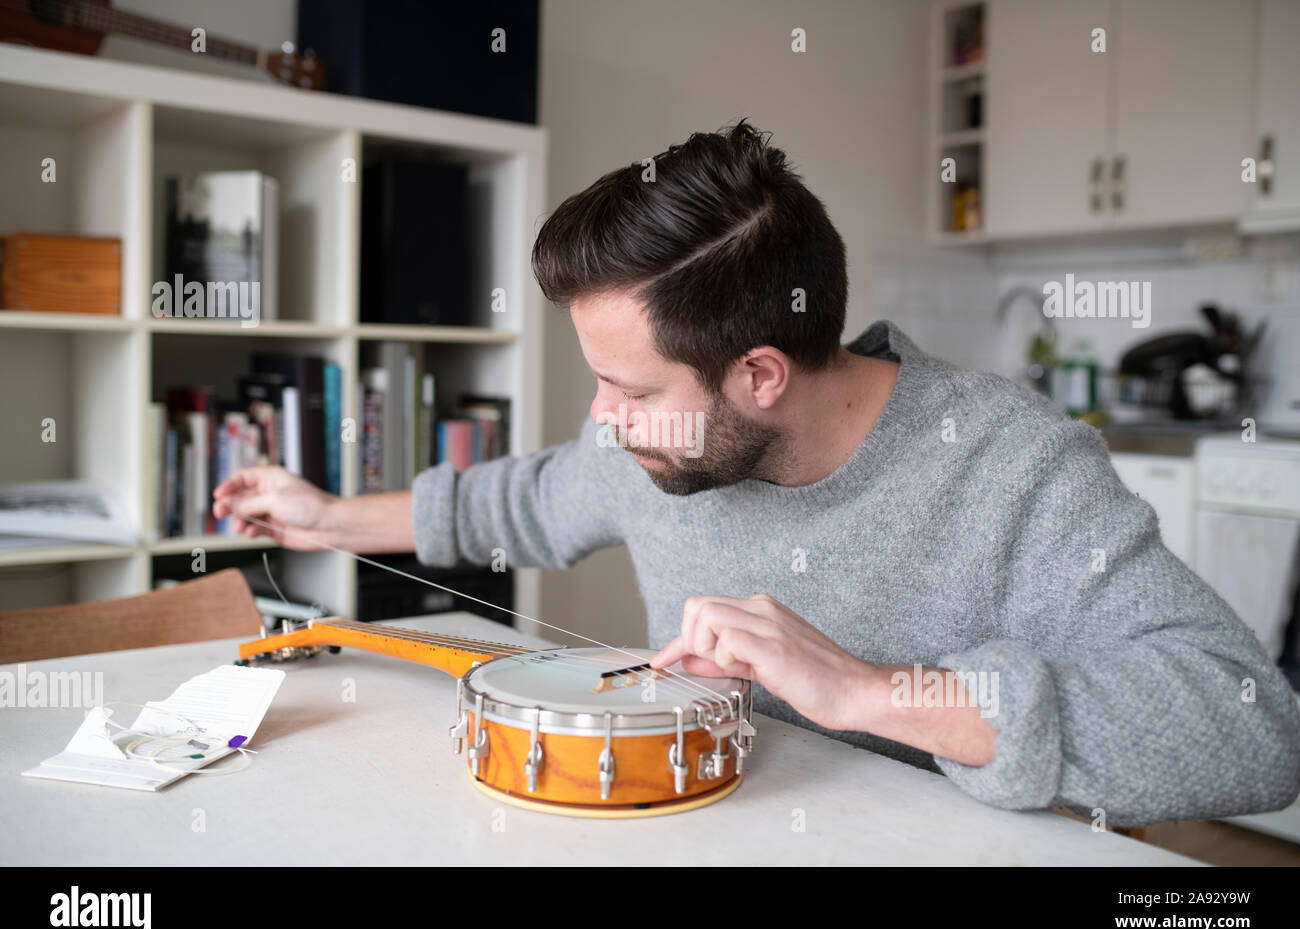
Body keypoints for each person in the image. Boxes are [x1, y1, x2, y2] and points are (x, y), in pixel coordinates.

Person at [214, 120, 1300, 827]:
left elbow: (1253, 729)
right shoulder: (650, 451)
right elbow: (519, 500)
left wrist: (878, 690)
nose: (604, 417)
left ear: (760, 374)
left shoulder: (1010, 463)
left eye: (631, 390)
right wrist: (321, 514)